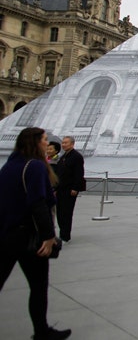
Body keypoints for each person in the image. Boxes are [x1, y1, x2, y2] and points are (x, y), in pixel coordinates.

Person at [0, 127, 71, 340]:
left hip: (6, 235)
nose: (47, 144)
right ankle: (42, 332)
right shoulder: (36, 167)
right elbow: (38, 204)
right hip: (29, 237)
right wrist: (49, 237)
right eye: (44, 140)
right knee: (39, 287)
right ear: (35, 143)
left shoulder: (10, 165)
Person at [54, 136, 85, 242]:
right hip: (61, 188)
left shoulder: (76, 157)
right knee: (60, 212)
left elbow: (79, 174)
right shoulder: (64, 156)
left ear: (72, 144)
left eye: (66, 143)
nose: (63, 145)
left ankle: (65, 235)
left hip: (70, 189)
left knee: (66, 212)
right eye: (63, 143)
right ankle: (62, 232)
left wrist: (75, 188)